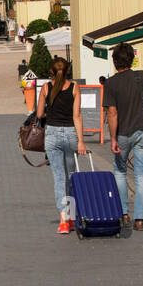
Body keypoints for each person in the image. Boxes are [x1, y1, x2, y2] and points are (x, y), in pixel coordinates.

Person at [103, 42, 143, 232]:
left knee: (120, 172)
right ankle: (140, 219)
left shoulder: (111, 83)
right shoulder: (142, 76)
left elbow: (112, 114)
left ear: (114, 62)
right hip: (142, 132)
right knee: (141, 174)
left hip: (122, 133)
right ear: (131, 59)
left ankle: (124, 213)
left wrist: (112, 139)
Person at [37, 56, 87, 235]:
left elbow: (40, 113)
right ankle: (72, 217)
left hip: (52, 134)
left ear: (51, 71)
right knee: (71, 176)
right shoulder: (74, 87)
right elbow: (77, 116)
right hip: (70, 134)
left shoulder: (45, 88)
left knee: (59, 178)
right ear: (68, 71)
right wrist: (81, 141)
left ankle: (63, 221)